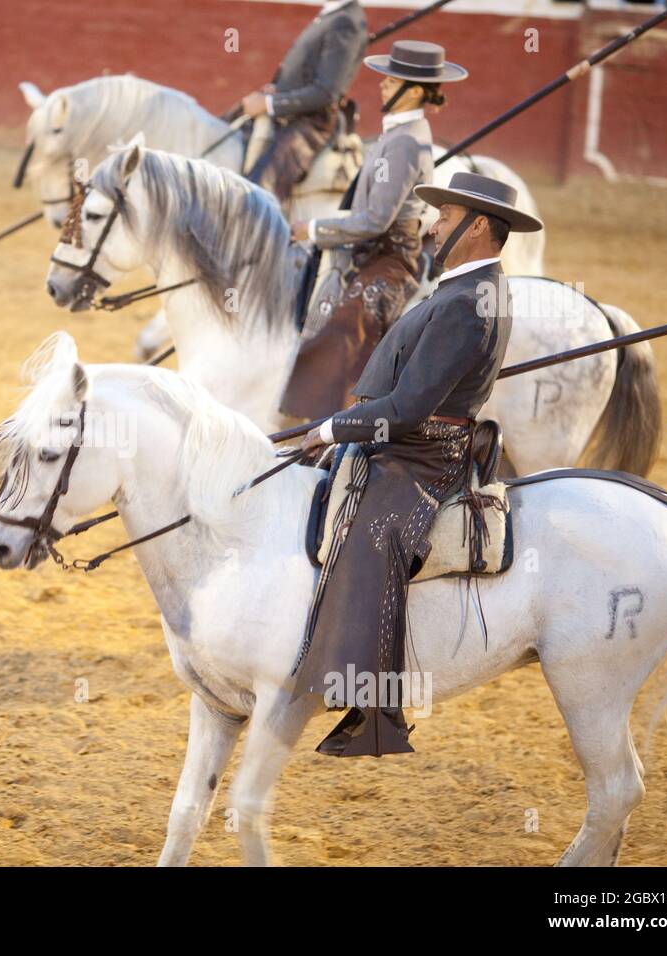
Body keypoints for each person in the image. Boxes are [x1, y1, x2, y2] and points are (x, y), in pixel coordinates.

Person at [290, 171, 545, 757]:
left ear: (478, 227)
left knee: (374, 531)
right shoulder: (464, 288)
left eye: (446, 219)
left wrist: (331, 428)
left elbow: (405, 410)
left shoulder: (466, 302)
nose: (432, 226)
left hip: (423, 456)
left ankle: (374, 709)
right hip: (406, 439)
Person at [279, 40, 466, 424]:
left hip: (391, 260)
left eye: (390, 80)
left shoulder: (406, 143)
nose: (381, 85)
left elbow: (375, 220)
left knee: (347, 326)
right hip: (370, 253)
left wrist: (313, 229)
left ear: (413, 90)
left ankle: (343, 427)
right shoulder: (397, 135)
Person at [239, 0, 367, 204]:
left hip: (312, 122)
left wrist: (271, 104)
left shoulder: (346, 22)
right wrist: (278, 91)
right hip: (292, 110)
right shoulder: (333, 14)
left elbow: (326, 92)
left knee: (259, 192)